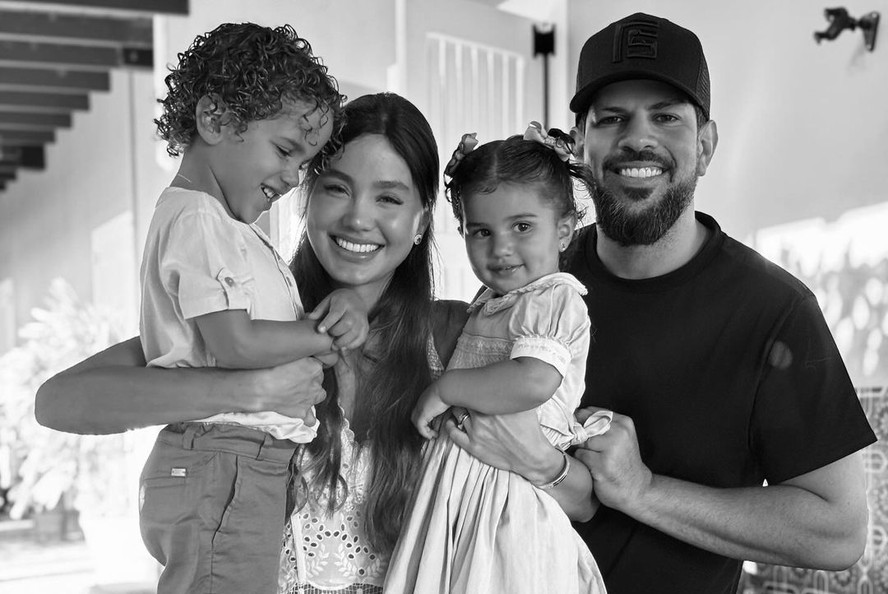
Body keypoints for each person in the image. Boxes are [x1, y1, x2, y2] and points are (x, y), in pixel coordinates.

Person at [35, 93, 595, 594]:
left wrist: (540, 462)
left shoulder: (458, 337)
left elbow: (582, 501)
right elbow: (59, 401)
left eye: (389, 199)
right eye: (336, 188)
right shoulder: (246, 321)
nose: (358, 217)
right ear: (305, 197)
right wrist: (247, 387)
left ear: (423, 221)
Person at [446, 12, 877, 594]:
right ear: (580, 143)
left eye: (666, 116)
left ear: (704, 143)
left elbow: (839, 532)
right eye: (612, 118)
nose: (637, 139)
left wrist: (644, 491)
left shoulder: (774, 310)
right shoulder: (528, 280)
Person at [132, 23, 371, 594]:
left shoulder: (223, 227)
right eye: (286, 150)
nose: (292, 177)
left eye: (303, 163)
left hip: (241, 465)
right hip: (225, 461)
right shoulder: (199, 220)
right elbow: (233, 344)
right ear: (215, 119)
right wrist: (325, 336)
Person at [385, 125, 612, 594]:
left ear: (565, 229)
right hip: (467, 485)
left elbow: (532, 381)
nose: (500, 247)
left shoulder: (553, 298)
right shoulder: (493, 301)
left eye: (522, 227)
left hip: (511, 499)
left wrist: (446, 388)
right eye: (481, 231)